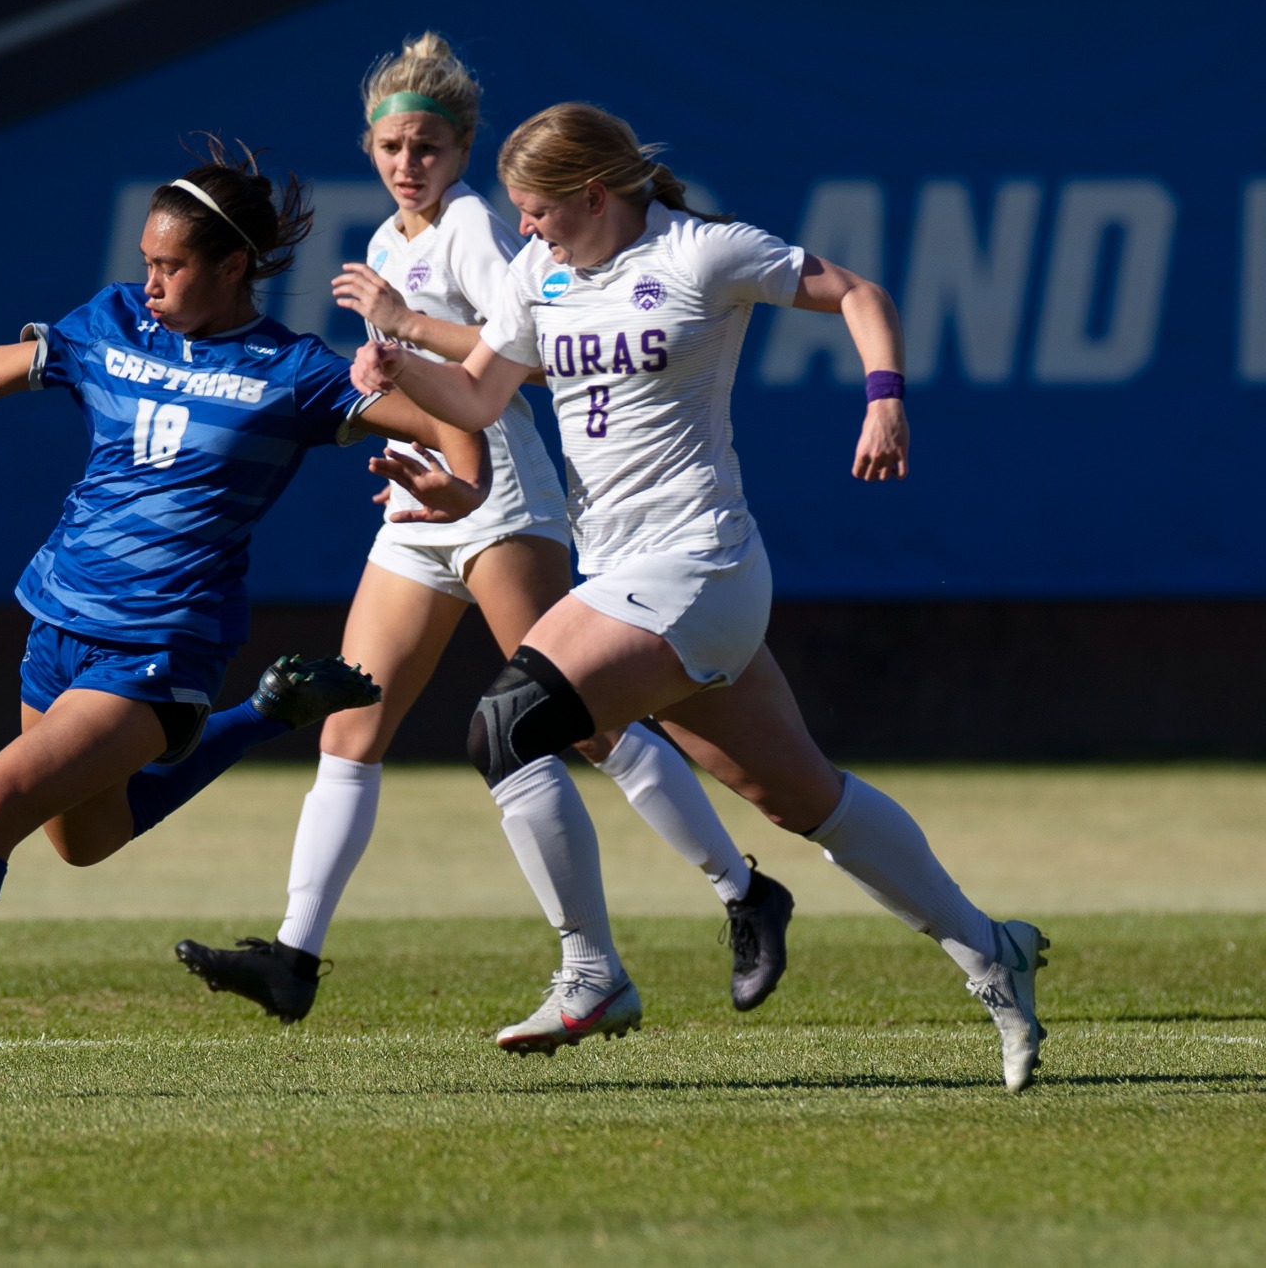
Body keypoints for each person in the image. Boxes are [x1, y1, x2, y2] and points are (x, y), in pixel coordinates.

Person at [0, 143, 497, 1078]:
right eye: (145, 261)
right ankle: (262, 714)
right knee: (83, 839)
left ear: (233, 268)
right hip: (58, 625)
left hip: (159, 646)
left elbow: (455, 417)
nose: (147, 281)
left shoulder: (298, 374)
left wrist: (460, 492)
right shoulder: (110, 323)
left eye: (170, 265)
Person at [355, 102, 1050, 1091]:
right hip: (626, 578)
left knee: (504, 724)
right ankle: (991, 949)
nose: (523, 228)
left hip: (701, 563)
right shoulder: (535, 275)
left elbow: (857, 292)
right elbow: (474, 396)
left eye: (538, 209)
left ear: (593, 194)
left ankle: (589, 973)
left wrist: (883, 395)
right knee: (801, 797)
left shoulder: (699, 253)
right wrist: (402, 370)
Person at [174, 34, 794, 1030]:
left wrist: (403, 327)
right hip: (421, 507)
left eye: (424, 145)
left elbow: (535, 359)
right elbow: (408, 377)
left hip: (502, 499)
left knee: (586, 727)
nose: (405, 163)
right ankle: (292, 955)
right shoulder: (386, 241)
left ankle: (735, 891)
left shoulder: (470, 229)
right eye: (389, 146)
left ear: (461, 149)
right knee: (350, 725)